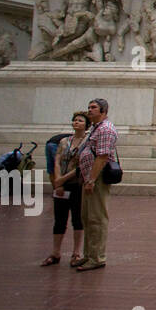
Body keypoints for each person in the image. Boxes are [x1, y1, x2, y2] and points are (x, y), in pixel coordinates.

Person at [41, 111, 88, 267]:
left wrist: (62, 179)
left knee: (77, 219)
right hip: (62, 185)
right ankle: (55, 252)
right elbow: (57, 161)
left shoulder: (87, 143)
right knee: (59, 219)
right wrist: (58, 182)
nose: (76, 123)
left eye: (80, 121)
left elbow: (82, 165)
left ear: (86, 125)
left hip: (77, 184)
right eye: (75, 120)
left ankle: (76, 253)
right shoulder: (63, 141)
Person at [76, 97, 118, 271]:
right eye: (89, 107)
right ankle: (88, 255)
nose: (89, 110)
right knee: (87, 217)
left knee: (97, 218)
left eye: (93, 107)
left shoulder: (105, 129)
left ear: (103, 111)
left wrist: (91, 179)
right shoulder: (95, 128)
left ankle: (97, 257)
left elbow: (102, 157)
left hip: (97, 178)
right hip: (89, 178)